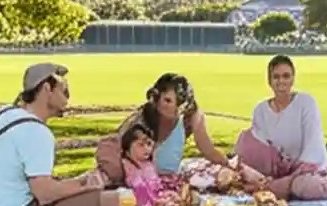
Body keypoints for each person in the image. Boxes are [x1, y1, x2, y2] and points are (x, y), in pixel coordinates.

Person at [0, 63, 120, 206]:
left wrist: (80, 182)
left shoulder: (5, 113)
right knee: (114, 203)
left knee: (96, 195)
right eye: (64, 90)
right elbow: (45, 194)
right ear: (47, 89)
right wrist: (86, 186)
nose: (68, 98)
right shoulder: (36, 131)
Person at [236, 55, 327, 200]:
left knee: (303, 187)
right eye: (276, 77)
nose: (281, 81)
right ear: (269, 81)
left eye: (286, 76)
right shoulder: (261, 111)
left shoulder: (306, 103)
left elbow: (313, 147)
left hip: (309, 173)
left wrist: (289, 179)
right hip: (277, 177)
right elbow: (262, 150)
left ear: (293, 78)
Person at [94, 72, 233, 187]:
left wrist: (231, 166)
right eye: (167, 100)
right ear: (156, 98)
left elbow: (207, 149)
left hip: (171, 182)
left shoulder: (189, 117)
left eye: (179, 103)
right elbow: (118, 151)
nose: (173, 108)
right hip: (139, 183)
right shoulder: (141, 121)